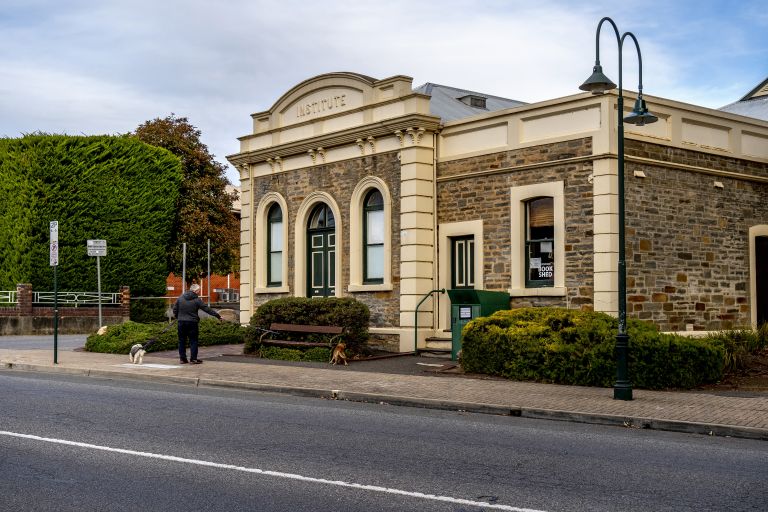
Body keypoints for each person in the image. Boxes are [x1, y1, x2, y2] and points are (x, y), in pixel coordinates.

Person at [172, 283, 222, 364]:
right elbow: (206, 309)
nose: (199, 292)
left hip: (181, 322)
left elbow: (175, 309)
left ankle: (182, 359)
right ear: (195, 290)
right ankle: (193, 359)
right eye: (199, 290)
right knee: (193, 341)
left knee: (181, 341)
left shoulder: (180, 298)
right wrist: (217, 316)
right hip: (192, 323)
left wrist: (178, 316)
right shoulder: (197, 300)